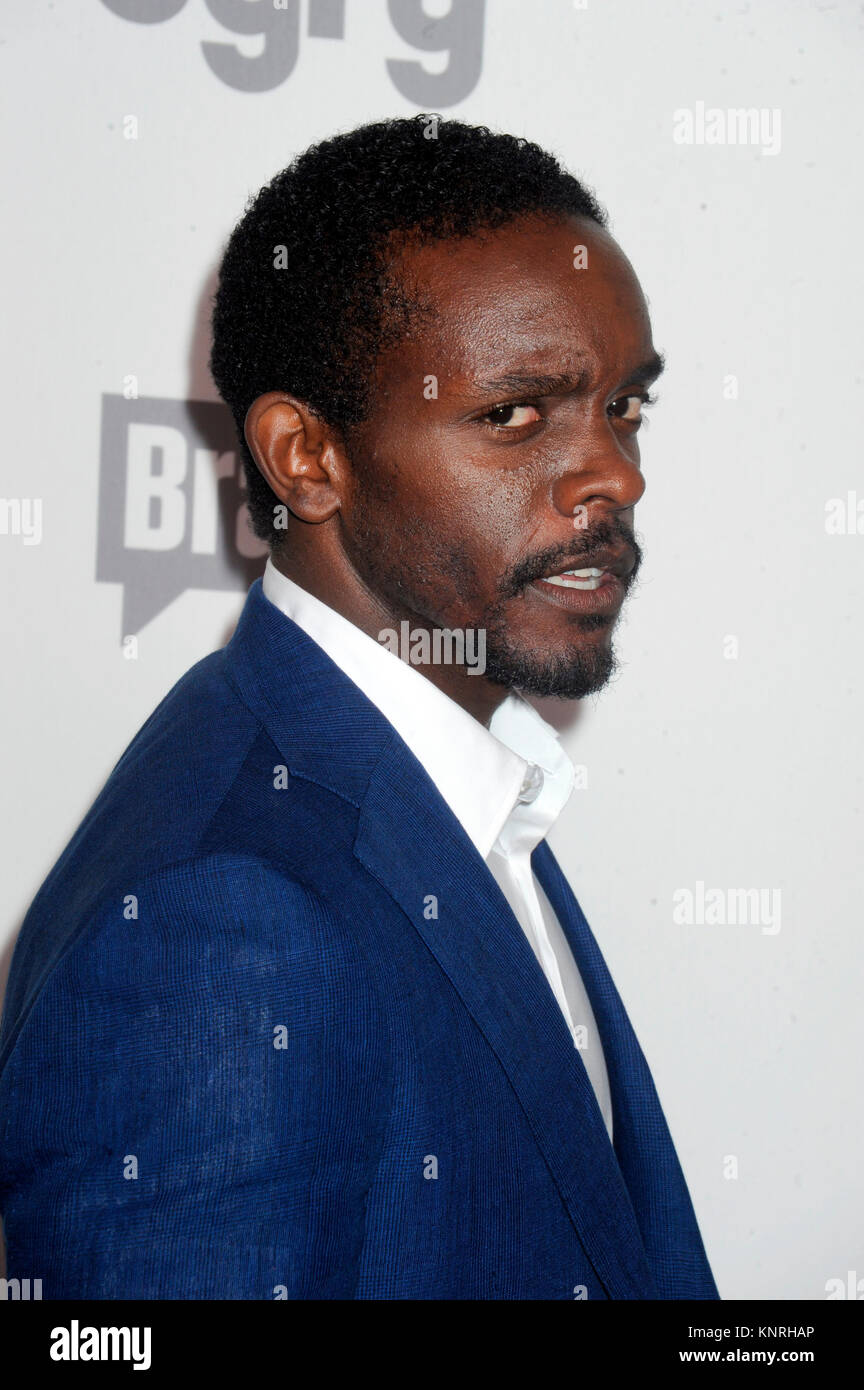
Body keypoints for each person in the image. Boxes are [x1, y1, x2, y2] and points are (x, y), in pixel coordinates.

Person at [0, 116, 718, 1300]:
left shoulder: (441, 774)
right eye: (516, 413)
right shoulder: (218, 924)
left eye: (624, 407)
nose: (616, 477)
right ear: (306, 458)